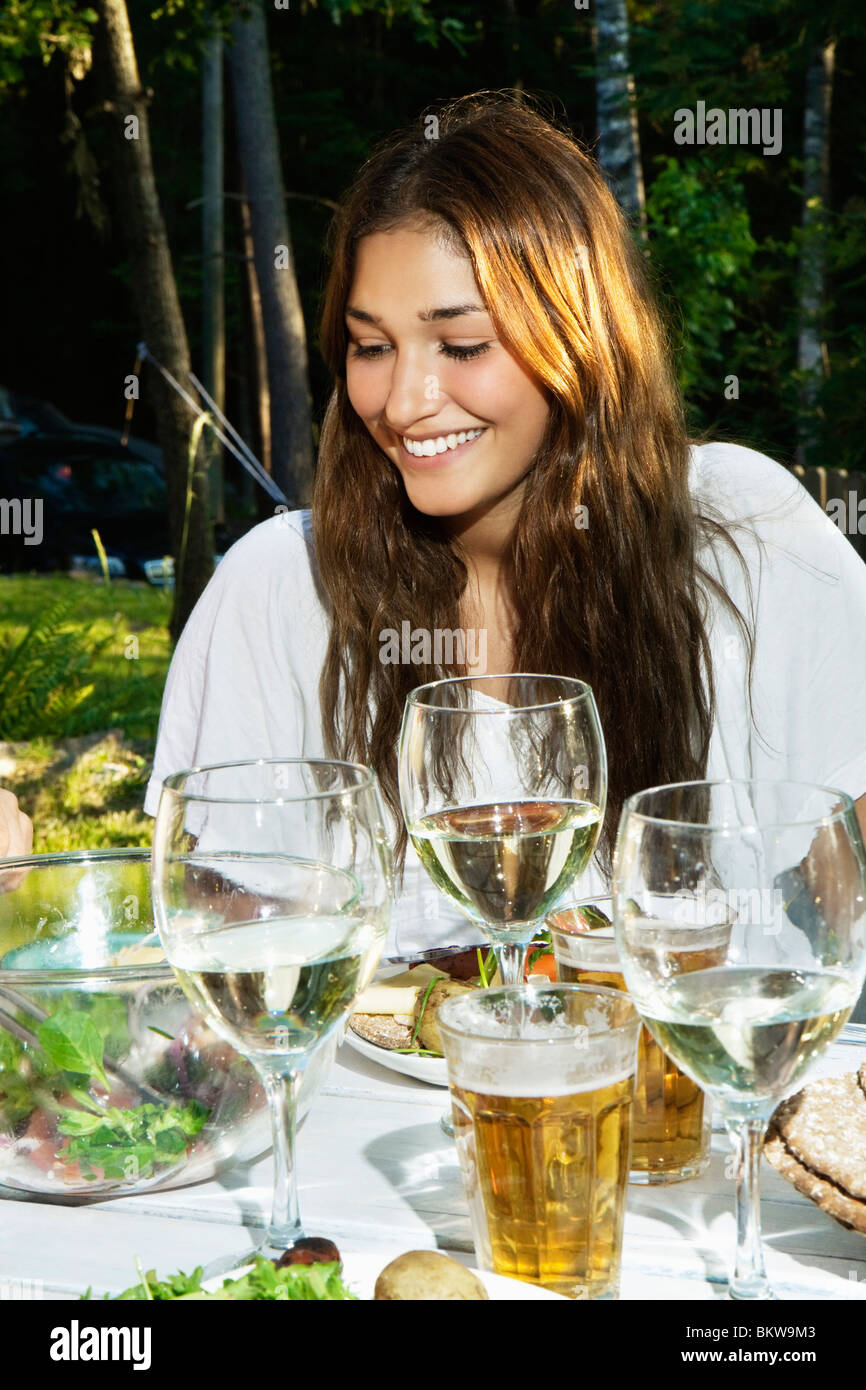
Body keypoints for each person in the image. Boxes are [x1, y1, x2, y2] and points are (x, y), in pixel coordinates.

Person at [8, 92, 866, 958]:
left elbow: (848, 892)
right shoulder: (279, 587)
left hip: (707, 1092)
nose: (406, 403)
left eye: (461, 345)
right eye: (371, 346)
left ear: (581, 339)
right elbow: (214, 940)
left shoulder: (741, 533)